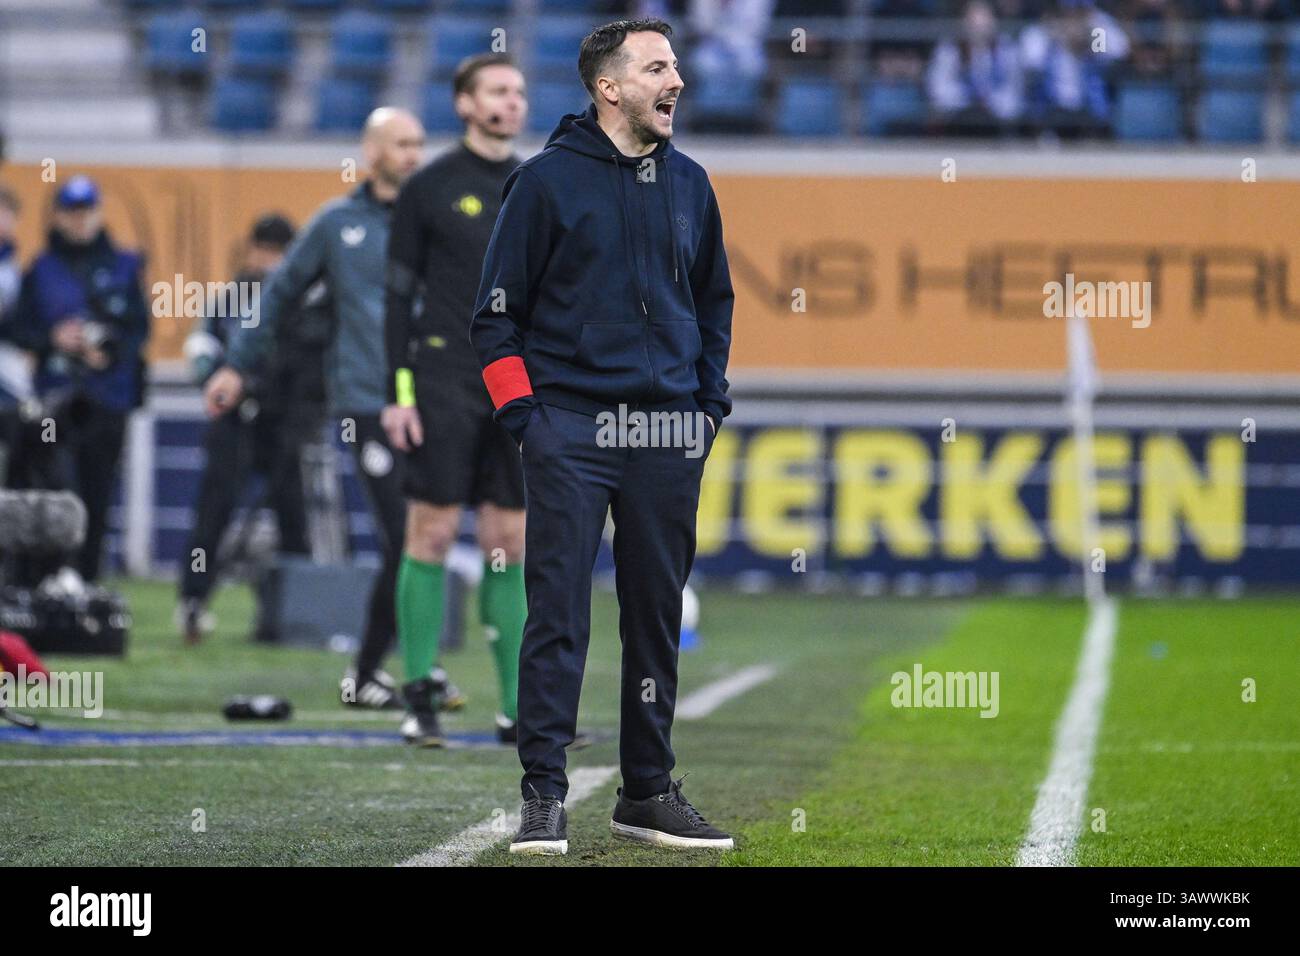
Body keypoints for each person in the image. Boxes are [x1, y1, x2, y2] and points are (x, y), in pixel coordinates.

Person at [471, 18, 735, 854]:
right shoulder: (544, 183)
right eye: (659, 67)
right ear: (608, 86)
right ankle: (543, 794)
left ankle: (646, 794)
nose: (678, 81)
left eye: (678, 65)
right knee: (558, 616)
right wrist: (529, 424)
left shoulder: (692, 183)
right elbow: (494, 320)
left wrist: (706, 407)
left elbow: (714, 303)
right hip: (570, 429)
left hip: (667, 432)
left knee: (655, 616)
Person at [204, 109, 462, 713]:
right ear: (371, 152)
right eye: (401, 143)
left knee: (427, 538)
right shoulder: (335, 223)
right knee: (402, 534)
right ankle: (382, 669)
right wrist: (237, 365)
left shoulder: (437, 221)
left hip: (435, 398)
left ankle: (389, 671)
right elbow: (279, 294)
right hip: (366, 401)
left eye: (420, 143)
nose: (413, 154)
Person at [383, 55, 530, 745]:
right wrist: (398, 391)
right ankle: (419, 697)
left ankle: (519, 711)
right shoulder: (428, 187)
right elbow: (394, 300)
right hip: (441, 378)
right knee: (433, 533)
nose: (513, 102)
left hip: (516, 383)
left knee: (508, 543)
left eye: (520, 91)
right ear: (466, 104)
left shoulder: (537, 185)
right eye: (499, 91)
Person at [177, 214, 325, 646]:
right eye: (266, 250)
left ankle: (299, 608)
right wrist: (221, 387)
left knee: (293, 518)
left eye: (280, 252)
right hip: (235, 423)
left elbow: (310, 365)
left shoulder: (301, 303)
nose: (272, 261)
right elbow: (201, 351)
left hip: (282, 425)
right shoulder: (230, 299)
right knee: (214, 514)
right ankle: (193, 600)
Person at [12, 176, 149, 581]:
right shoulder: (41, 268)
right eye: (71, 212)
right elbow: (20, 327)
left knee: (98, 489)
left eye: (85, 211)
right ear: (59, 216)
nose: (79, 221)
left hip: (106, 397)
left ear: (98, 213)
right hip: (55, 399)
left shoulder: (125, 265)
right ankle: (51, 574)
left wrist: (104, 347)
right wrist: (53, 339)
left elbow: (139, 330)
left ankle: (88, 578)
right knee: (55, 486)